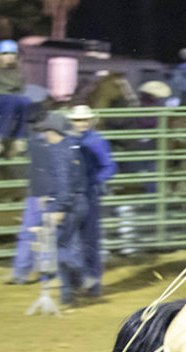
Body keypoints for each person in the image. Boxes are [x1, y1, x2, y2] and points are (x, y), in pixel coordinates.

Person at [10, 113, 88, 304]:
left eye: (47, 131)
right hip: (79, 201)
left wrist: (58, 206)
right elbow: (75, 178)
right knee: (70, 244)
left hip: (66, 204)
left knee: (59, 247)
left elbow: (63, 181)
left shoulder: (57, 150)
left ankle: (68, 292)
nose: (45, 135)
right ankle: (77, 283)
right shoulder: (73, 146)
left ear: (53, 131)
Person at [67, 105, 117, 297]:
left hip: (89, 195)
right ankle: (78, 281)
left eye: (85, 120)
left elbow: (109, 167)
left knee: (89, 240)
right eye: (78, 120)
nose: (82, 123)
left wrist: (91, 181)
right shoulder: (70, 140)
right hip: (73, 196)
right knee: (73, 240)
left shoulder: (96, 141)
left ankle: (92, 282)